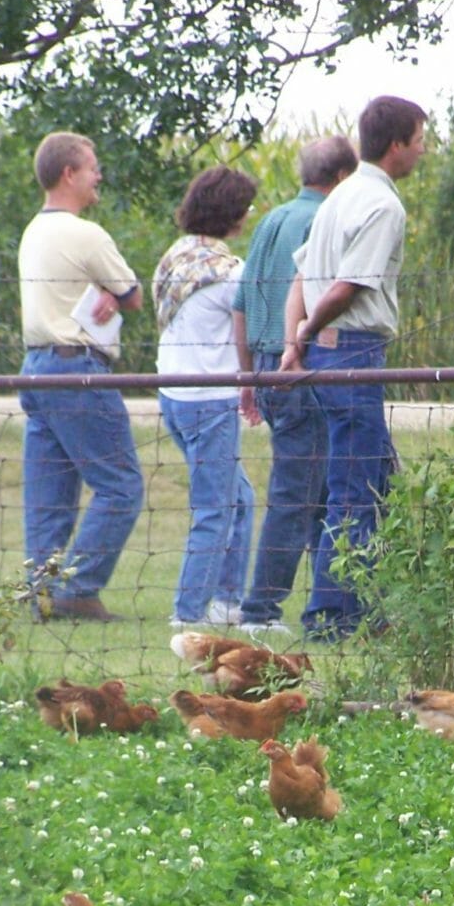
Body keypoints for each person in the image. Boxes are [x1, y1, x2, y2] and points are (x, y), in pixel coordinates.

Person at [281, 96, 428, 641]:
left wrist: (294, 343)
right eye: (418, 140)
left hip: (325, 349)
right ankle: (332, 616)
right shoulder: (382, 206)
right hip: (352, 350)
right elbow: (347, 286)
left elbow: (301, 276)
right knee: (356, 486)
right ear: (396, 145)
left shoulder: (339, 196)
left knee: (371, 478)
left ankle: (367, 601)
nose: (422, 151)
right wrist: (307, 329)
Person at [233, 135, 360, 637]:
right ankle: (260, 610)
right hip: (299, 364)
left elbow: (240, 307)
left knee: (316, 490)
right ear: (344, 178)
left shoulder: (270, 221)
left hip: (265, 364)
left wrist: (247, 378)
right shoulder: (323, 220)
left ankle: (333, 599)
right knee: (296, 491)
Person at [16, 131, 144, 622]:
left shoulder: (33, 232)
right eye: (92, 168)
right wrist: (108, 293)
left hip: (37, 367)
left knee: (49, 493)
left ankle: (42, 592)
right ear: (69, 174)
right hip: (78, 367)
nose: (98, 177)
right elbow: (131, 295)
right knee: (120, 486)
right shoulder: (86, 233)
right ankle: (79, 585)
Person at [156, 165, 261, 629]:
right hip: (209, 397)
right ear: (234, 216)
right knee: (215, 508)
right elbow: (255, 325)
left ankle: (226, 600)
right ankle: (189, 613)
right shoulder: (230, 272)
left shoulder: (173, 259)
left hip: (172, 392)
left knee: (239, 497)